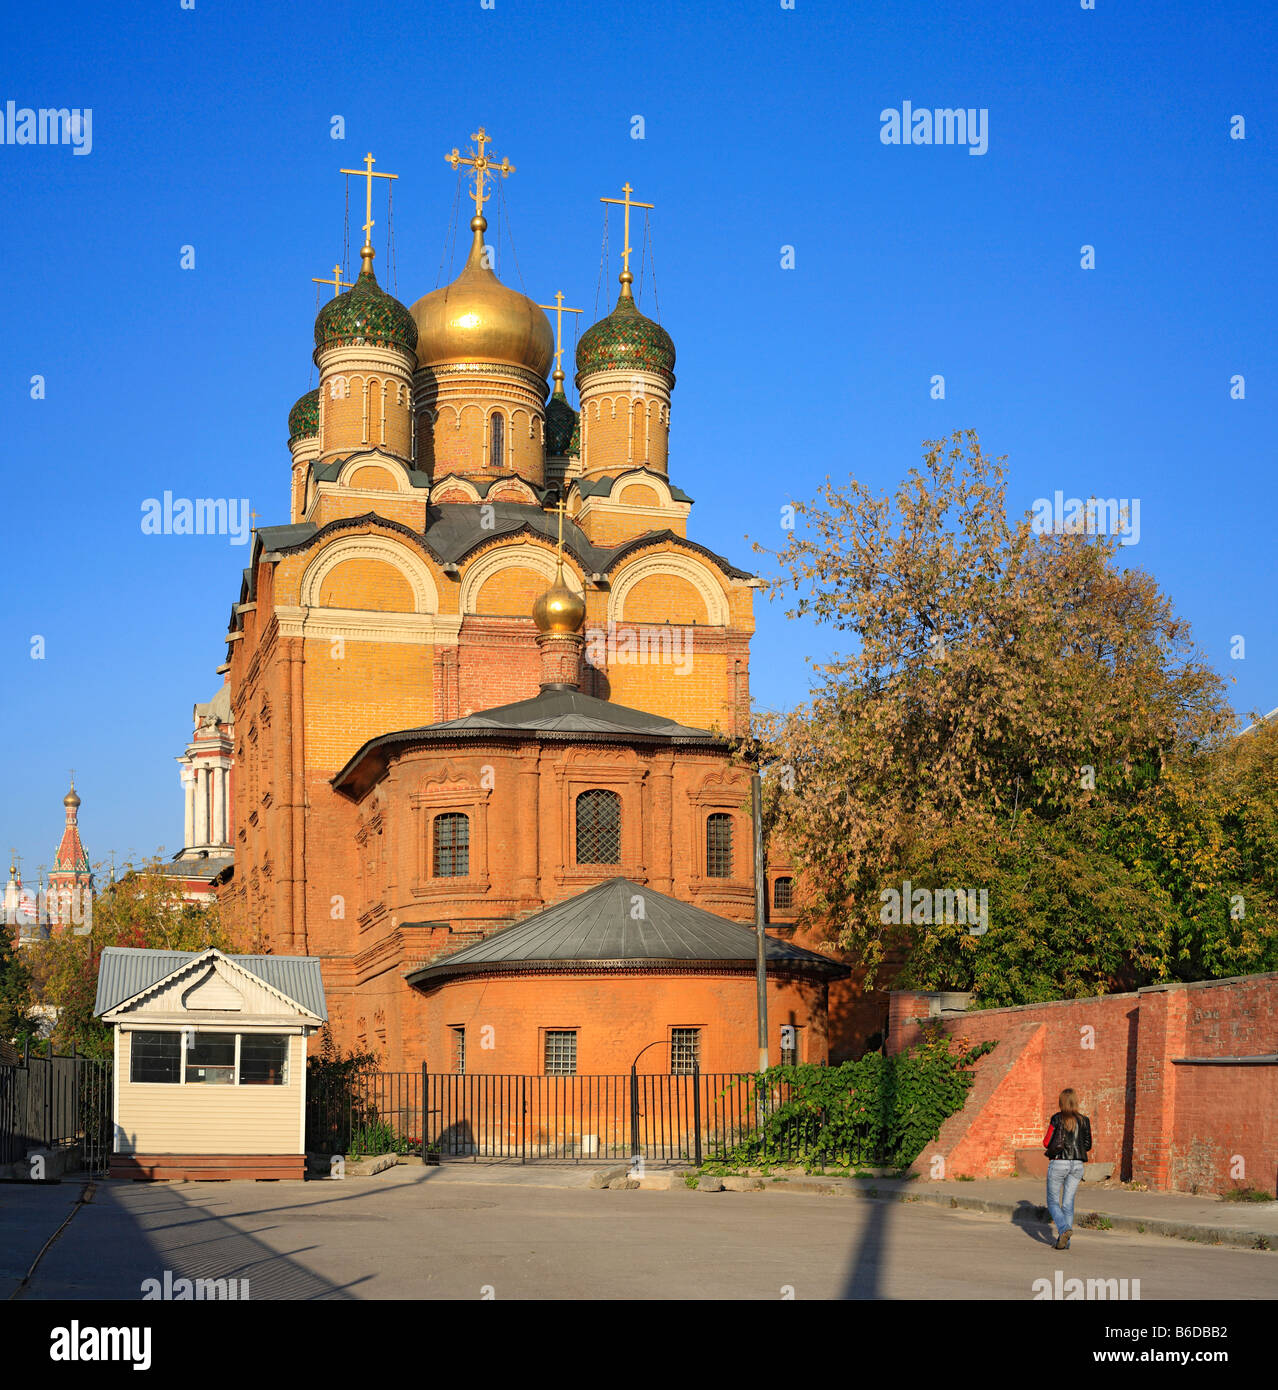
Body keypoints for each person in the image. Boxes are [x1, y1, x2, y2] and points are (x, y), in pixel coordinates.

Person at [1043, 1087, 1092, 1250]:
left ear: (1061, 1102)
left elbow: (1046, 1142)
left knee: (1052, 1201)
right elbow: (1088, 1145)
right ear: (1076, 1101)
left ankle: (1064, 1229)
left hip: (1059, 1162)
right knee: (1068, 1203)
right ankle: (1066, 1242)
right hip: (1077, 1164)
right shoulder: (1084, 1120)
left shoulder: (1056, 1119)